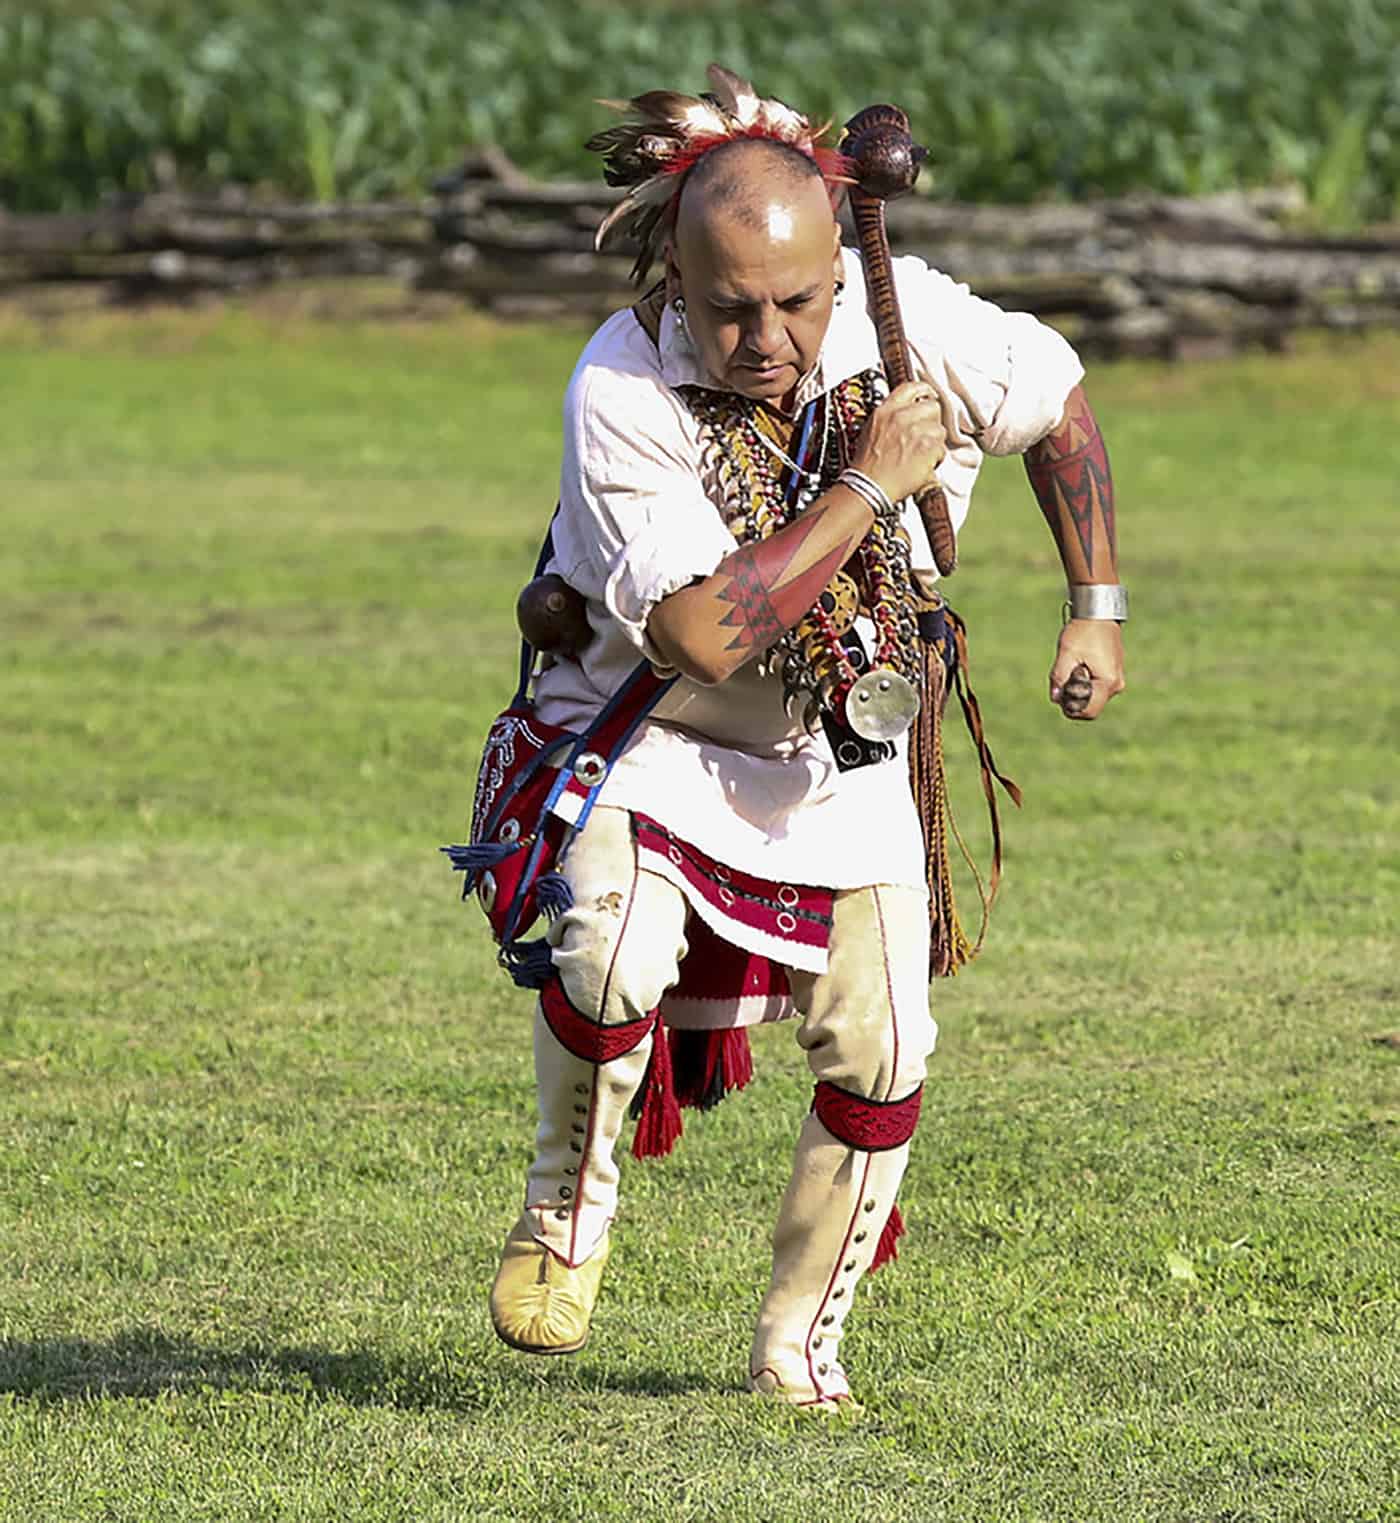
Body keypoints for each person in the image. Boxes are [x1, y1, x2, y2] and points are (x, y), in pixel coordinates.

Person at [480, 67, 1126, 1411]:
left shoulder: (904, 318)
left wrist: (1095, 610)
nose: (768, 337)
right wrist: (866, 488)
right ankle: (567, 1210)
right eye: (731, 309)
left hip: (843, 751)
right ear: (674, 276)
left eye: (797, 302)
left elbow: (1054, 402)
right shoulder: (616, 388)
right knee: (607, 955)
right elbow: (706, 635)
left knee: (889, 1052)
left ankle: (797, 1342)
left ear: (839, 261)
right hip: (651, 732)